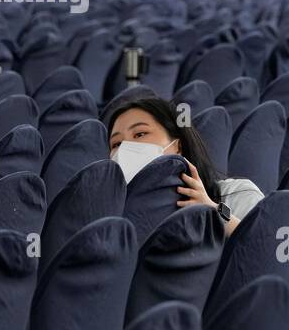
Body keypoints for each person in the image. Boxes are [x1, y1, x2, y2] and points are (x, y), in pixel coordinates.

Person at [106, 97, 263, 234]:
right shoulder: (111, 211)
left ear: (178, 145)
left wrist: (214, 209)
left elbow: (261, 243)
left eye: (140, 134)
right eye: (116, 143)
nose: (125, 148)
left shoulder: (235, 193)